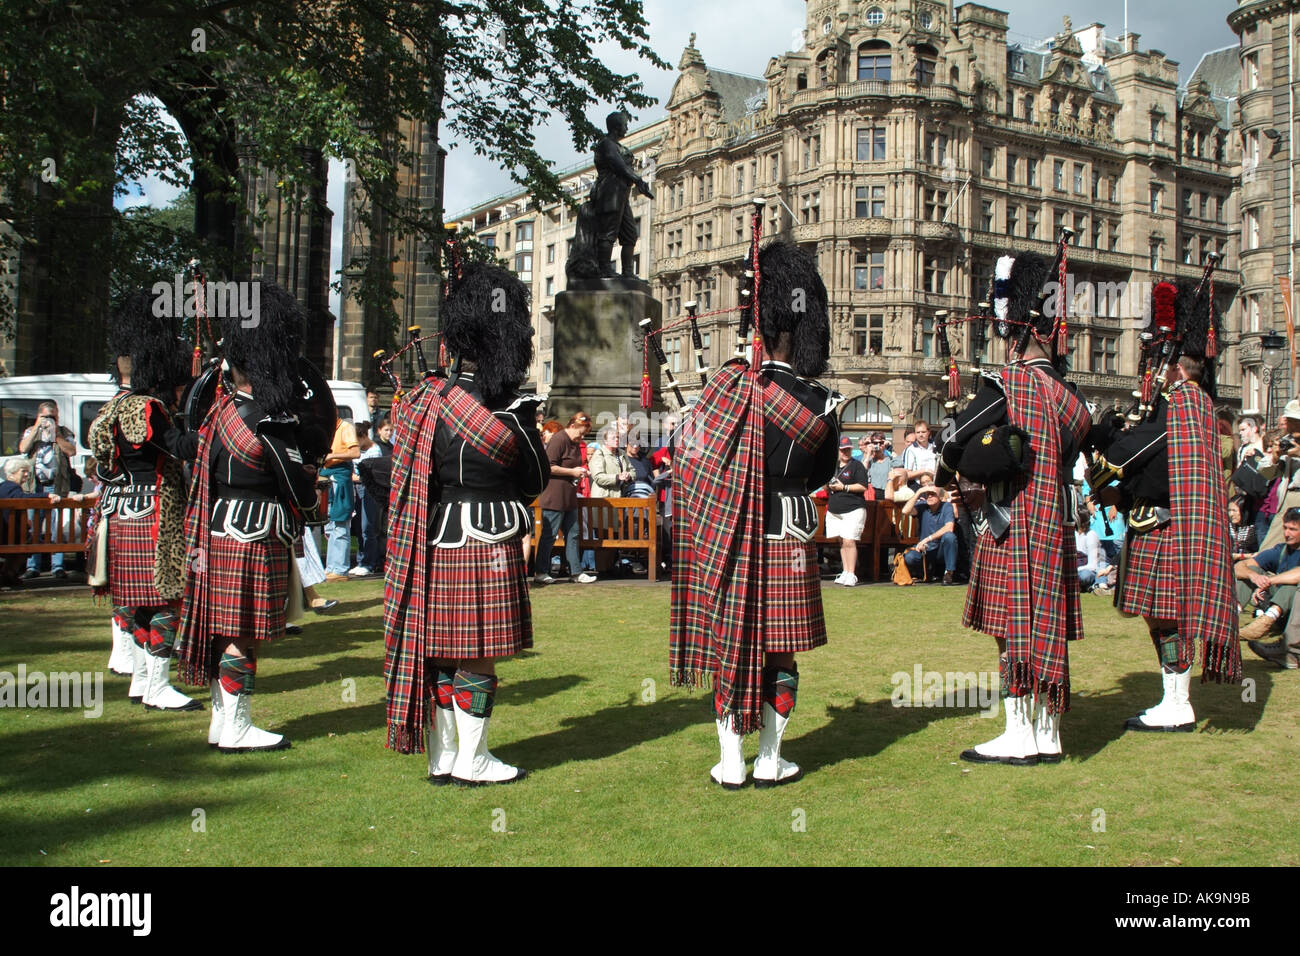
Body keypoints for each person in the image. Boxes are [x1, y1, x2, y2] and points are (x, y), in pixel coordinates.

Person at [671, 240, 841, 789]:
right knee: (779, 648)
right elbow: (820, 475)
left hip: (730, 533)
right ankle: (770, 759)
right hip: (788, 533)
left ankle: (730, 761)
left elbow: (690, 460)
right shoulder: (820, 403)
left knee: (730, 643)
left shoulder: (724, 384)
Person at [383, 261, 547, 785]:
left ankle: (443, 756)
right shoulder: (510, 408)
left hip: (434, 534)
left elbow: (412, 479)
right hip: (490, 536)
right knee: (479, 653)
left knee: (442, 649)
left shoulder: (426, 401)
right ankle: (472, 761)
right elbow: (535, 480)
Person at [936, 251, 1092, 765]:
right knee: (1047, 622)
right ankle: (1050, 733)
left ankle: (1018, 733)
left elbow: (954, 440)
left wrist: (962, 461)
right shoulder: (1070, 397)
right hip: (1057, 525)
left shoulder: (1006, 383)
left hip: (1013, 523)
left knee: (1013, 630)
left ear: (1012, 325)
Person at [174, 283, 322, 752]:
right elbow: (295, 488)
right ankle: (237, 728)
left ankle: (223, 721)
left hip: (219, 528)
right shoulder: (264, 418)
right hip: (257, 531)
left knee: (226, 631)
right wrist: (311, 488)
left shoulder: (218, 411)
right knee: (243, 637)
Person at [1089, 279, 1241, 732]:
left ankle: (1178, 703)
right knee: (1164, 618)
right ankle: (1174, 699)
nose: (1153, 367)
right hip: (1169, 522)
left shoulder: (1178, 403)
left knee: (1167, 617)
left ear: (1175, 366)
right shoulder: (1198, 405)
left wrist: (1105, 446)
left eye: (1159, 358)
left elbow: (1127, 455)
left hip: (1166, 527)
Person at [88, 292, 199, 710]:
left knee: (136, 603)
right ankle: (157, 686)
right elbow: (175, 447)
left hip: (119, 510)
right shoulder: (148, 408)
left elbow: (101, 463)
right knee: (168, 602)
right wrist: (208, 436)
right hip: (154, 511)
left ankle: (140, 679)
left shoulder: (111, 406)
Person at [534, 412, 595, 584]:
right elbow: (549, 466)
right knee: (549, 535)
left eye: (584, 434)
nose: (582, 437)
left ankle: (575, 572)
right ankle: (540, 572)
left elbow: (572, 464)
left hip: (569, 495)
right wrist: (572, 472)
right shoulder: (559, 439)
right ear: (572, 426)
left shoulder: (575, 442)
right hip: (554, 496)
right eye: (581, 433)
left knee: (573, 534)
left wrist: (582, 470)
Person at [18, 401, 76, 579]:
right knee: (34, 527)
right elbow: (23, 448)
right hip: (35, 487)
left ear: (58, 415)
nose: (49, 420)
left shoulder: (64, 432)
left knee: (55, 527)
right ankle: (32, 567)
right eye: (46, 416)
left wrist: (56, 434)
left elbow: (71, 451)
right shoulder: (31, 431)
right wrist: (37, 427)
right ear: (38, 415)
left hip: (56, 485)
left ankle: (57, 566)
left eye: (53, 416)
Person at [1234, 507, 1300, 642]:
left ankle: (1264, 623)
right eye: (1285, 528)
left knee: (1292, 585)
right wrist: (1255, 577)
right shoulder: (1281, 550)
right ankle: (1230, 617)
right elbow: (1239, 567)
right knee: (1251, 572)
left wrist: (1269, 581)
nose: (1287, 533)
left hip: (1295, 613)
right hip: (1281, 608)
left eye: (1293, 529)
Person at [0, 458, 68, 587]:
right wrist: (46, 495)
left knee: (26, 540)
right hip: (10, 537)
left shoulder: (3, 487)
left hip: (7, 535)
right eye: (23, 471)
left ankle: (8, 575)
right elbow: (23, 498)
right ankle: (8, 574)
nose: (27, 474)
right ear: (13, 472)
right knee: (29, 541)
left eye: (27, 471)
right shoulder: (12, 488)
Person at [825, 436, 870, 586]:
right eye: (843, 450)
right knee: (842, 541)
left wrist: (844, 487)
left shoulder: (857, 466)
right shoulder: (833, 466)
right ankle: (845, 571)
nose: (845, 452)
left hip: (853, 508)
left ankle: (851, 573)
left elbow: (863, 486)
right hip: (835, 509)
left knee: (849, 540)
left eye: (848, 449)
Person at [900, 483, 958, 584]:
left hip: (940, 549)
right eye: (927, 494)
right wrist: (919, 492)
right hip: (925, 550)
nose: (929, 496)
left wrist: (928, 538)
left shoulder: (946, 506)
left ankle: (949, 573)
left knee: (950, 537)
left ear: (940, 496)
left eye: (933, 494)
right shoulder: (922, 506)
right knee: (910, 557)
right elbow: (905, 511)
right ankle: (925, 573)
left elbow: (949, 527)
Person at [349, 420, 382, 576]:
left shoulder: (374, 451)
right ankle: (362, 560)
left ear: (363, 437)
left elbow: (371, 476)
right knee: (359, 528)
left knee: (367, 528)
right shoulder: (360, 451)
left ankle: (369, 562)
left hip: (369, 491)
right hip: (358, 490)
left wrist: (355, 477)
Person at [1228, 494, 1258, 562]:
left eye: (1234, 510)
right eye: (1229, 510)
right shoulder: (1229, 526)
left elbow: (1258, 553)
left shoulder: (1252, 529)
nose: (1231, 514)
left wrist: (1239, 556)